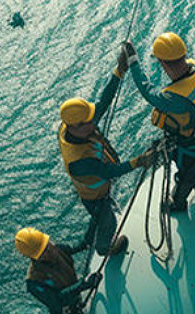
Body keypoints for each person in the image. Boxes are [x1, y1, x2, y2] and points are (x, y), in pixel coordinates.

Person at [58, 57, 153, 255]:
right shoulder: (79, 161)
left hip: (96, 191)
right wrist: (139, 161)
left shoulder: (74, 126)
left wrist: (119, 71)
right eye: (87, 122)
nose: (93, 122)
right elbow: (108, 171)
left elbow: (103, 102)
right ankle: (104, 248)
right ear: (74, 126)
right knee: (107, 221)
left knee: (97, 218)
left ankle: (85, 241)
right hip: (95, 196)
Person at [120, 32, 195, 212]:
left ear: (163, 63)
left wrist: (132, 60)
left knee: (185, 175)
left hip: (189, 145)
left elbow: (146, 89)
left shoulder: (174, 99)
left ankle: (178, 203)